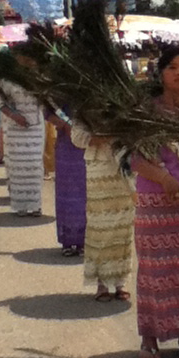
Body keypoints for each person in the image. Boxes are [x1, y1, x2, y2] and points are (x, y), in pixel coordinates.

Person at [132, 46, 179, 358]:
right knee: (154, 269)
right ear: (161, 73)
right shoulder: (146, 111)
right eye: (172, 67)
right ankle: (149, 337)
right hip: (154, 199)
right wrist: (163, 178)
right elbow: (134, 158)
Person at [71, 122, 135, 302]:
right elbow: (77, 137)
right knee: (100, 225)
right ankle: (102, 283)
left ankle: (121, 281)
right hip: (99, 167)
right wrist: (103, 136)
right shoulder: (86, 109)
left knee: (124, 224)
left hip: (124, 163)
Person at [0, 61, 45, 217]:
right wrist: (15, 116)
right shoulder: (7, 80)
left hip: (35, 128)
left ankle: (36, 204)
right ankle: (20, 205)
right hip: (15, 128)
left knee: (34, 165)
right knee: (18, 166)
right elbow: (1, 103)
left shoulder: (40, 78)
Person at [46, 107, 87, 256]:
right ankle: (67, 241)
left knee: (86, 193)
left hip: (88, 142)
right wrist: (63, 124)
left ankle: (85, 241)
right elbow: (47, 111)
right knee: (66, 194)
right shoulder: (57, 95)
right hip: (65, 145)